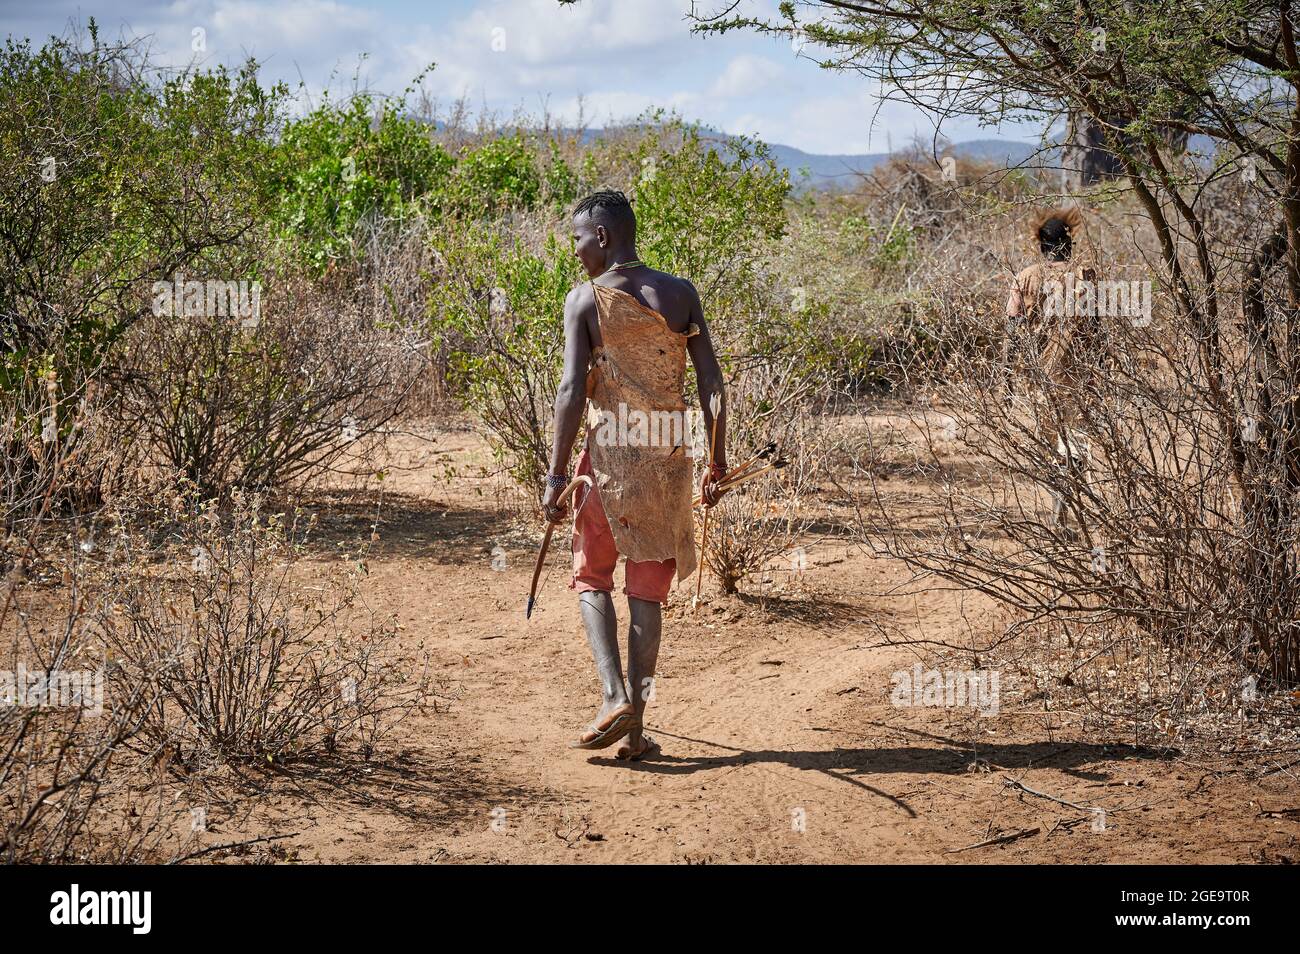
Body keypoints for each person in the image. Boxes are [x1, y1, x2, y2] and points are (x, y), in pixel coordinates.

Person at [542, 190, 727, 761]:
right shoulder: (680, 293)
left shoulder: (584, 302)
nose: (575, 252)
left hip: (611, 463)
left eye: (577, 239)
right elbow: (712, 385)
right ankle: (637, 731)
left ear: (601, 236)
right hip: (668, 464)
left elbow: (572, 391)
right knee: (647, 592)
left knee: (591, 577)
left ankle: (612, 695)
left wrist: (554, 476)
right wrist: (717, 457)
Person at [1005, 207, 1097, 529]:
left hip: (1039, 378)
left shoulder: (1025, 277)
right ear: (1069, 244)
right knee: (1074, 444)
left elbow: (1012, 330)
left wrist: (1005, 379)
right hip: (1079, 375)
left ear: (1042, 245)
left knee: (1051, 445)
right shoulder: (1086, 275)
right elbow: (1098, 329)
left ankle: (1057, 507)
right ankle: (1064, 505)